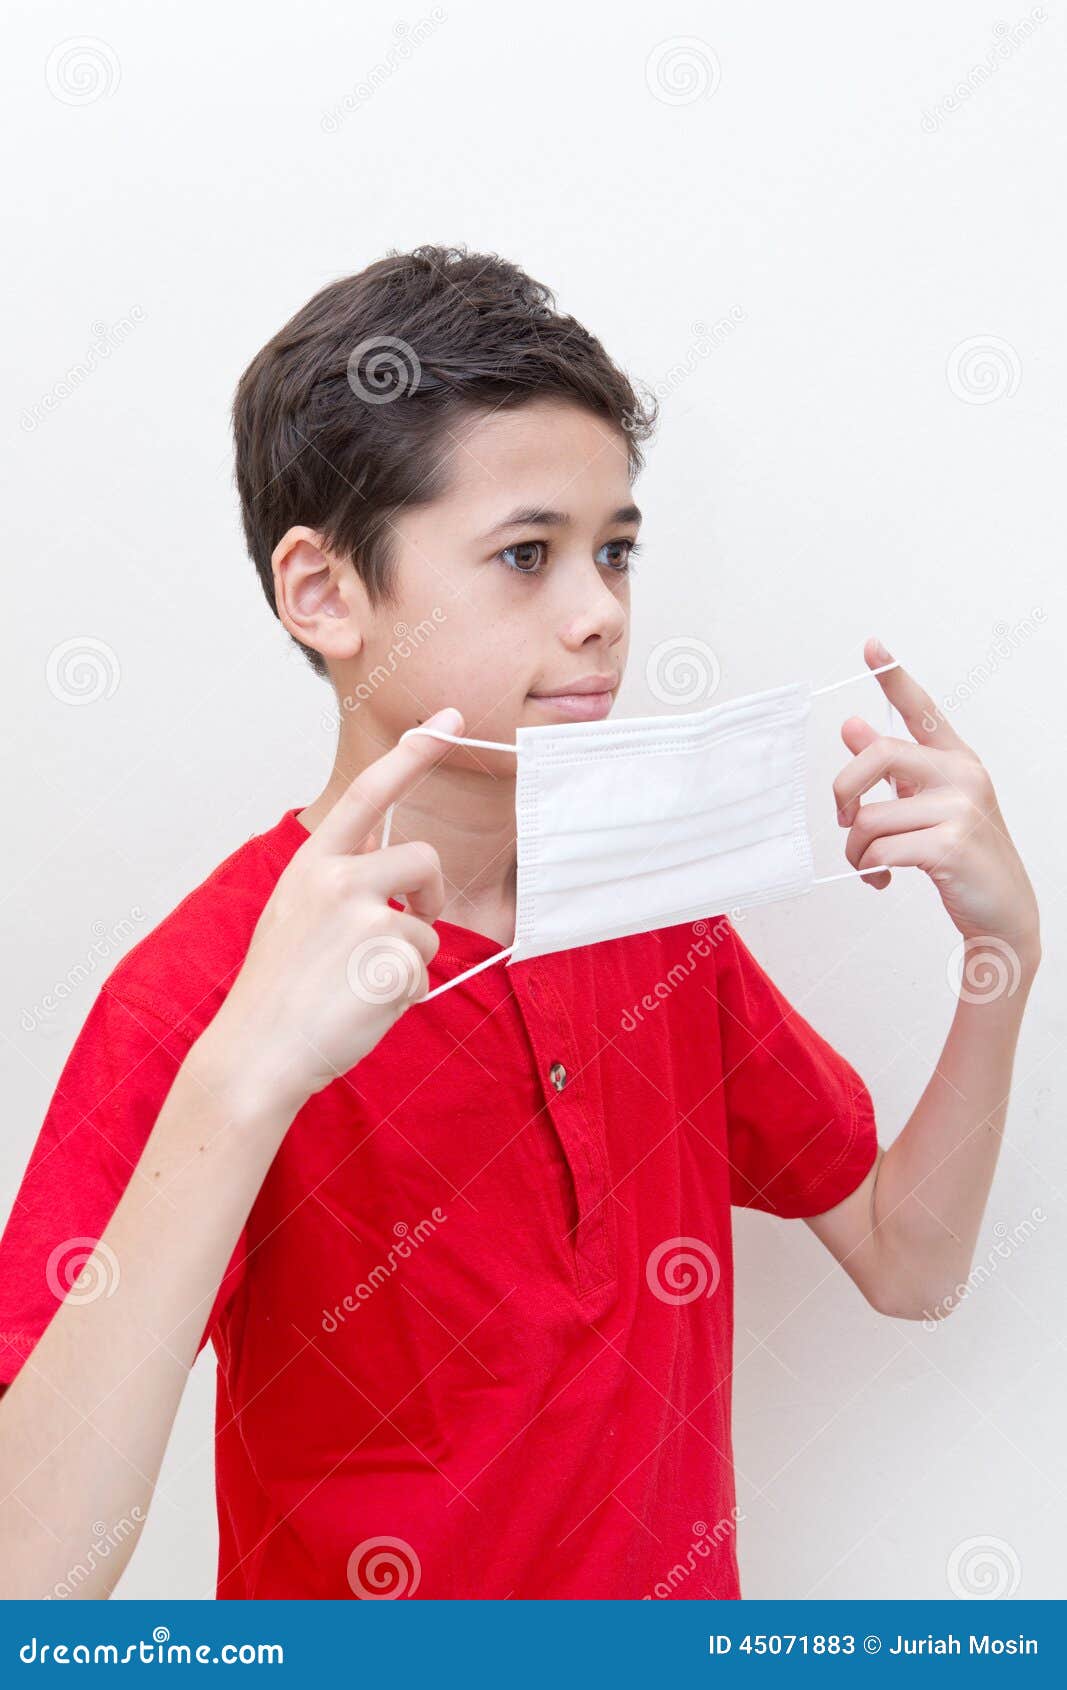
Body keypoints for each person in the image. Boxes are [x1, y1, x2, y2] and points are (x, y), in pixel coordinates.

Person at [0, 246, 1042, 1600]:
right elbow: (30, 1579)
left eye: (613, 550)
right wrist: (246, 1079)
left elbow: (914, 1264)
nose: (602, 611)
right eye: (526, 555)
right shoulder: (199, 990)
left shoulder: (656, 919)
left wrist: (999, 958)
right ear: (324, 592)